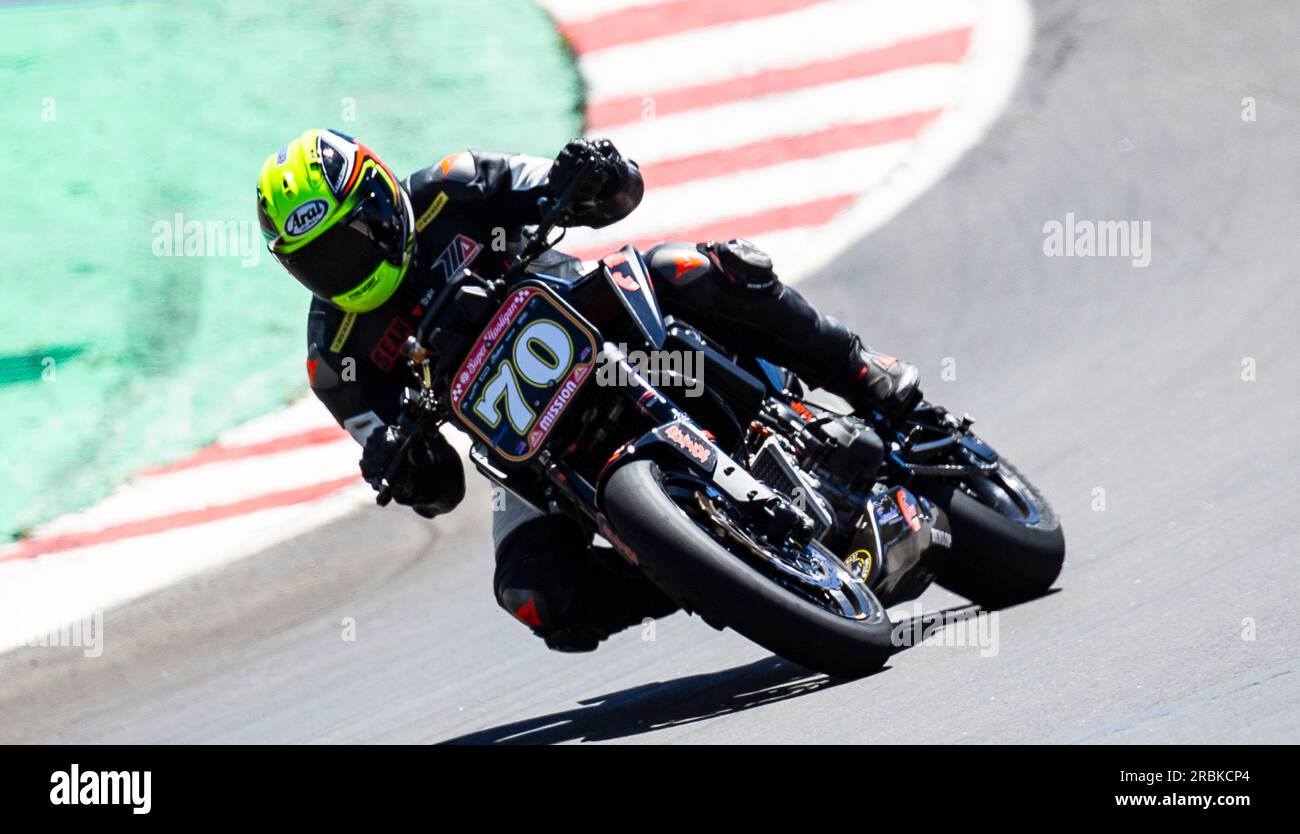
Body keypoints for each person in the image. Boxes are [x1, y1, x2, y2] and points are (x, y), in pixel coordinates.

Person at [257, 129, 921, 651]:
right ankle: (704, 568)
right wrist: (401, 466)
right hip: (527, 453)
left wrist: (591, 172)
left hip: (611, 326)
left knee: (687, 268)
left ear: (377, 200)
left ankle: (863, 369)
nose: (345, 266)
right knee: (532, 593)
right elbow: (436, 487)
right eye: (319, 260)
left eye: (350, 241)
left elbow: (609, 191)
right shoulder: (334, 355)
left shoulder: (454, 186)